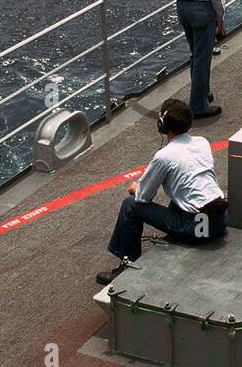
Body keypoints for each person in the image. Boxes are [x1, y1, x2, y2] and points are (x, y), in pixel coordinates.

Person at [96, 98, 227, 284]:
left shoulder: (164, 156)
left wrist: (135, 187)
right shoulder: (202, 142)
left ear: (162, 125)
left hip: (197, 230)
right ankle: (179, 234)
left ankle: (127, 265)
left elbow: (143, 197)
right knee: (181, 197)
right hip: (219, 222)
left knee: (130, 205)